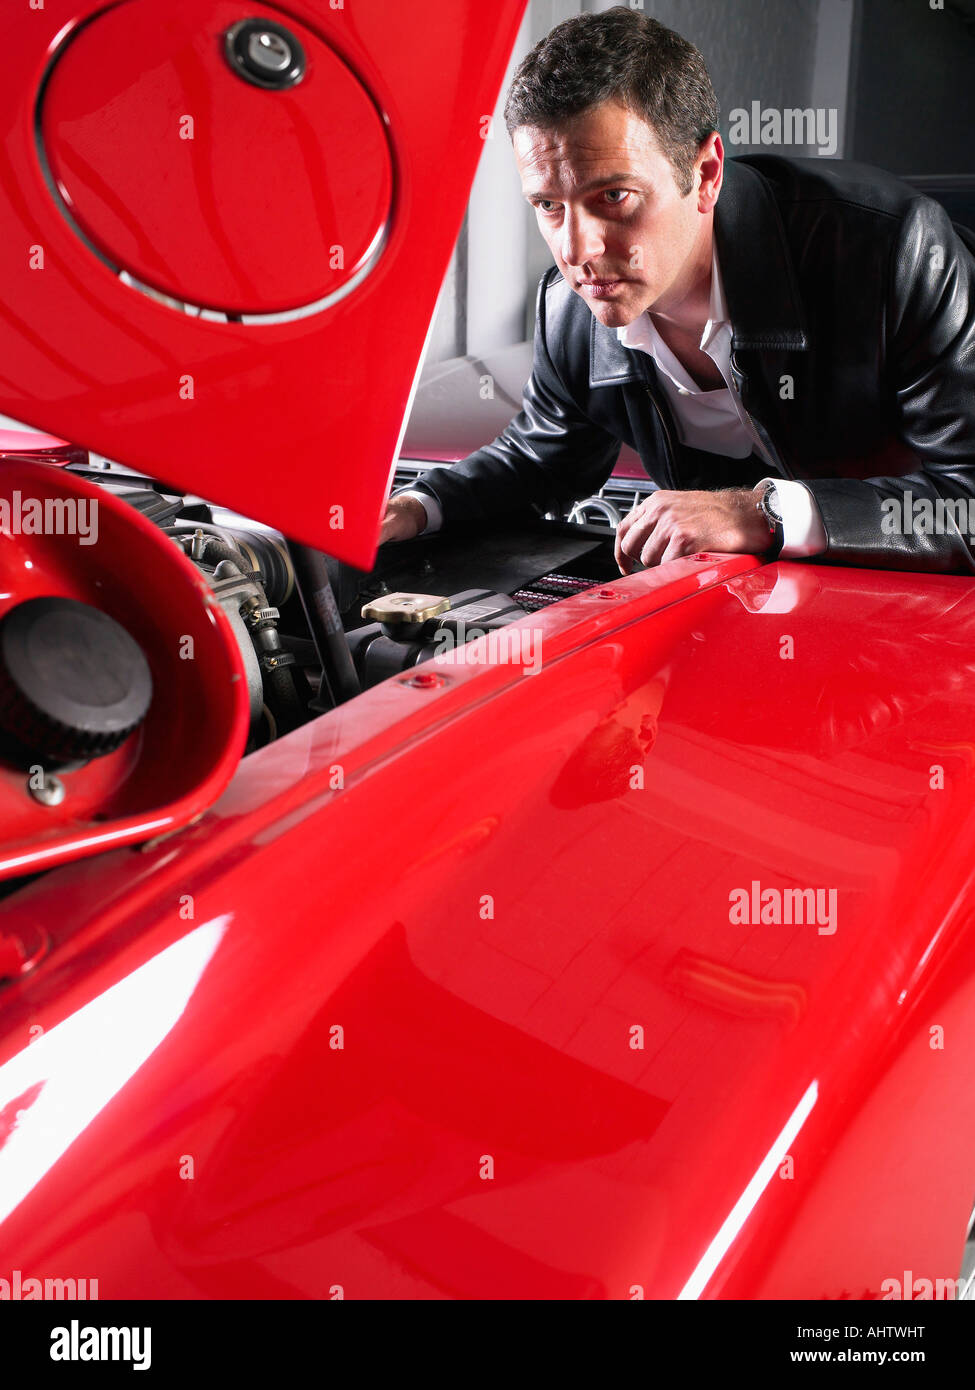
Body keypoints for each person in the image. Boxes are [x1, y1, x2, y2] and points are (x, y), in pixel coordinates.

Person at [380, 7, 975, 574]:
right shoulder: (569, 310)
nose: (578, 251)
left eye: (614, 197)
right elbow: (540, 459)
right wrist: (414, 508)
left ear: (707, 174)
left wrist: (764, 513)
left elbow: (966, 501)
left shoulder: (892, 253)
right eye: (549, 206)